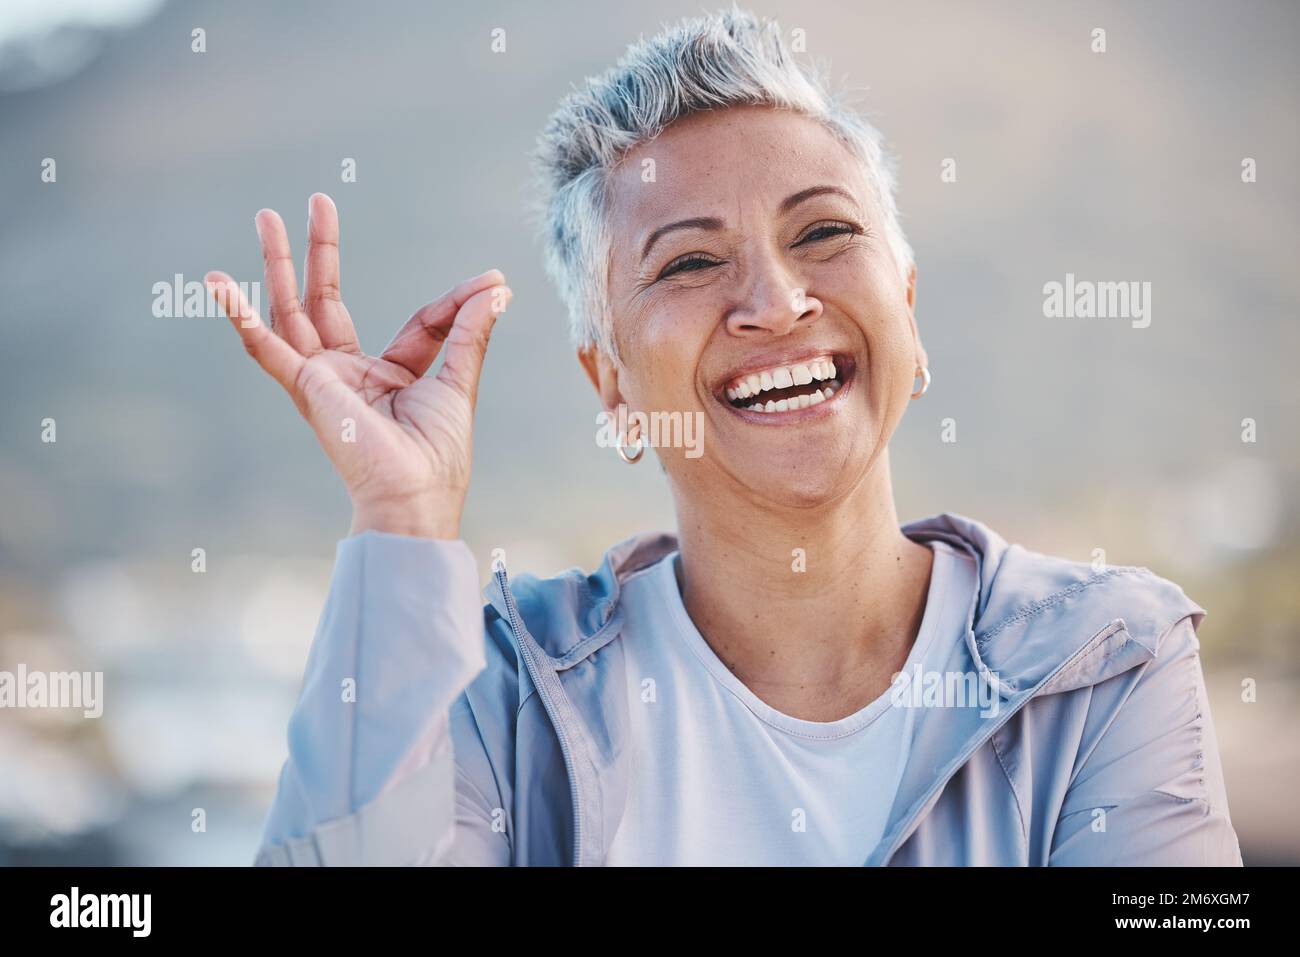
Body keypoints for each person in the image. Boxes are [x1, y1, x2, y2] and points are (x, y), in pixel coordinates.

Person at [206, 6, 1242, 865]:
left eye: (823, 233)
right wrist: (401, 521)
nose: (776, 301)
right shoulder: (507, 692)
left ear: (909, 315)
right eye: (688, 264)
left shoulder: (1100, 664)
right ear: (610, 385)